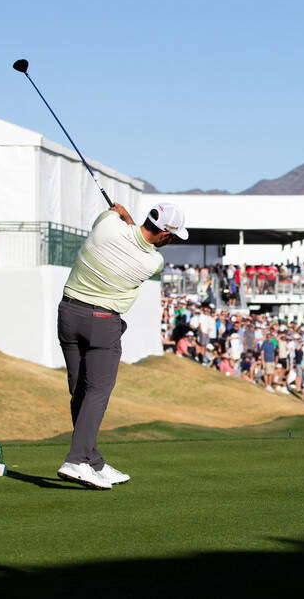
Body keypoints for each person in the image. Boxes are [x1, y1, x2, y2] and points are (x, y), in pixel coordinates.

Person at [57, 202, 186, 490]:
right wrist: (126, 219)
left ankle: (93, 461)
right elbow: (137, 240)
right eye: (173, 238)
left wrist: (122, 215)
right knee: (97, 392)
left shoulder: (106, 226)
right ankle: (76, 460)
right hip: (102, 324)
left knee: (79, 390)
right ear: (165, 234)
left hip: (68, 313)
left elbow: (114, 220)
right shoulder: (153, 262)